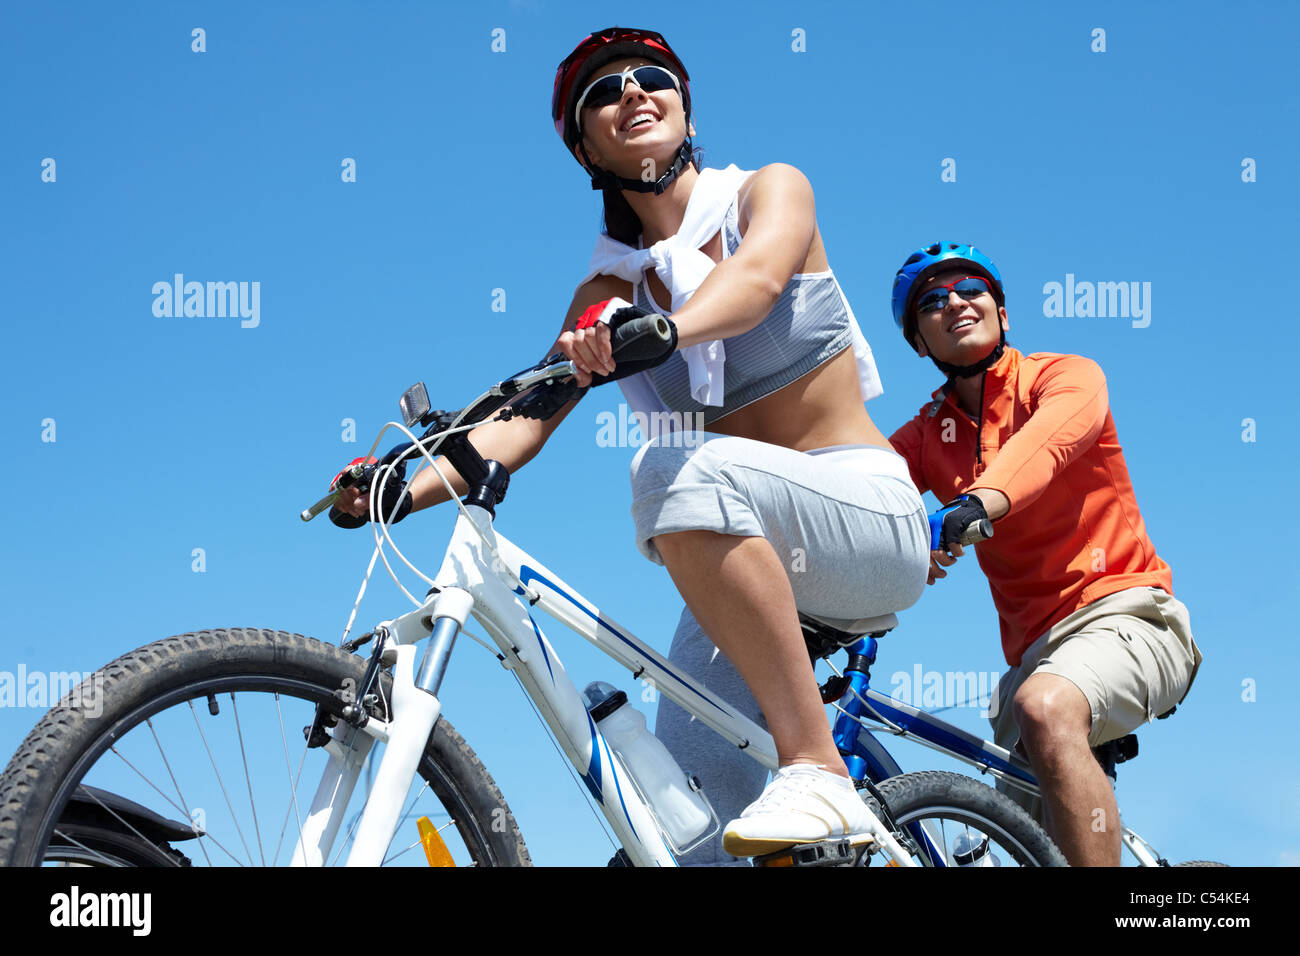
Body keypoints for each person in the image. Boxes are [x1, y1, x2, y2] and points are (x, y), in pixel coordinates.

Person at [333, 27, 930, 865]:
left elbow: (755, 282)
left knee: (668, 466)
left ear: (686, 108)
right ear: (585, 146)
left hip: (866, 517)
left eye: (653, 78)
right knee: (683, 831)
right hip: (741, 565)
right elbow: (523, 417)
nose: (634, 94)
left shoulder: (769, 190)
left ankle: (817, 765)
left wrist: (665, 330)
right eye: (603, 94)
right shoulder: (606, 288)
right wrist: (399, 483)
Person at [886, 241, 1203, 866]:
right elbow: (857, 488)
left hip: (1130, 618)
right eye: (931, 301)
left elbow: (1047, 443)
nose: (954, 303)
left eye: (971, 289)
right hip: (1032, 662)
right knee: (1002, 845)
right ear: (919, 342)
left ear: (1003, 313)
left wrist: (978, 503)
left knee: (1045, 706)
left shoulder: (1065, 376)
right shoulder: (929, 436)